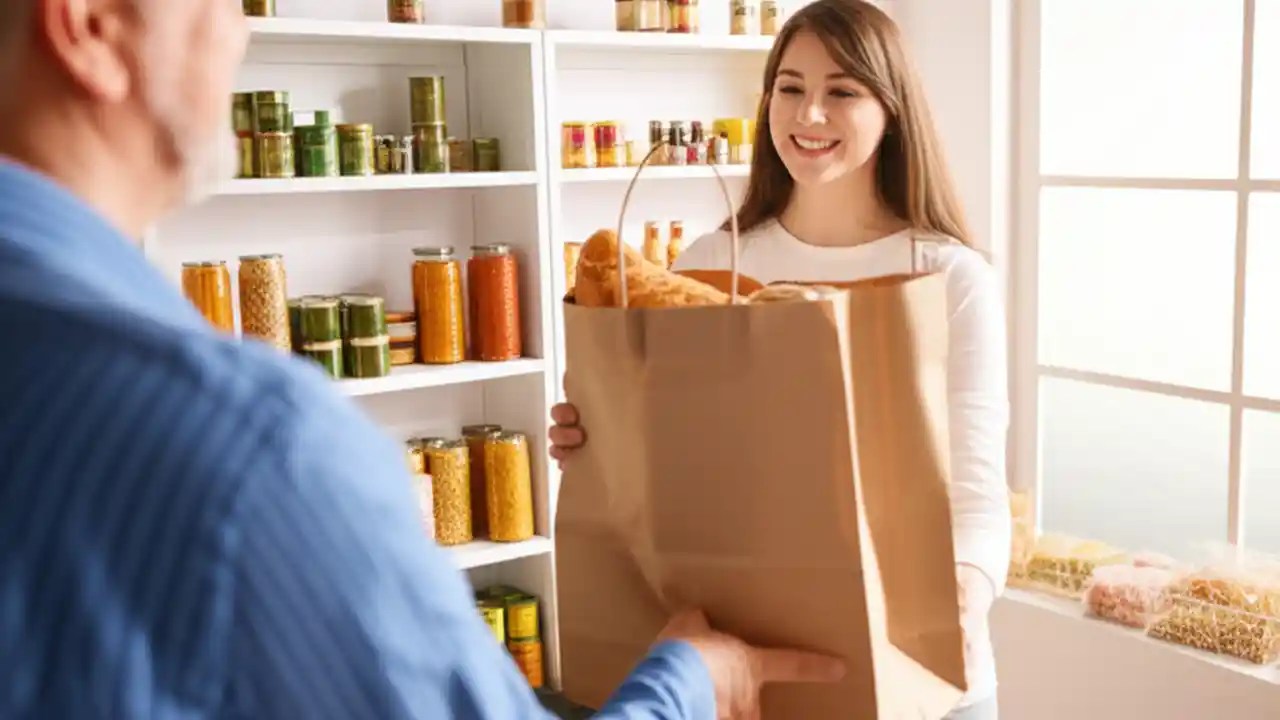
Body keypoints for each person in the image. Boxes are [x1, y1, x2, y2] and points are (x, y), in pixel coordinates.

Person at [0, 1, 843, 718]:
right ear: (92, 25)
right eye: (216, 4)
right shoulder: (252, 442)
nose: (239, 34)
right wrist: (691, 682)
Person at [550, 1, 1012, 718]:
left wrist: (962, 594)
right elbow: (677, 469)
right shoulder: (713, 261)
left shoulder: (948, 276)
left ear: (893, 108)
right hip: (746, 671)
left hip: (923, 682)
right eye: (790, 87)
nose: (810, 114)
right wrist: (594, 441)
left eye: (842, 91)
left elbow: (979, 494)